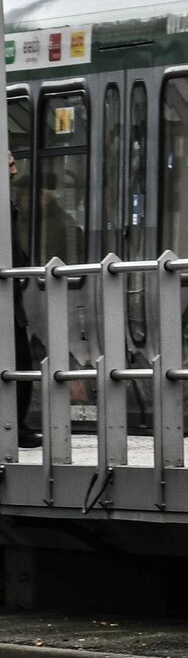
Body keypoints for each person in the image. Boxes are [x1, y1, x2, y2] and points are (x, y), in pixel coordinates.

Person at [7, 153, 38, 449]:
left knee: (21, 363)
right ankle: (12, 427)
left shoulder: (9, 206)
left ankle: (18, 425)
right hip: (6, 300)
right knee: (15, 362)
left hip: (11, 299)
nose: (15, 170)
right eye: (9, 164)